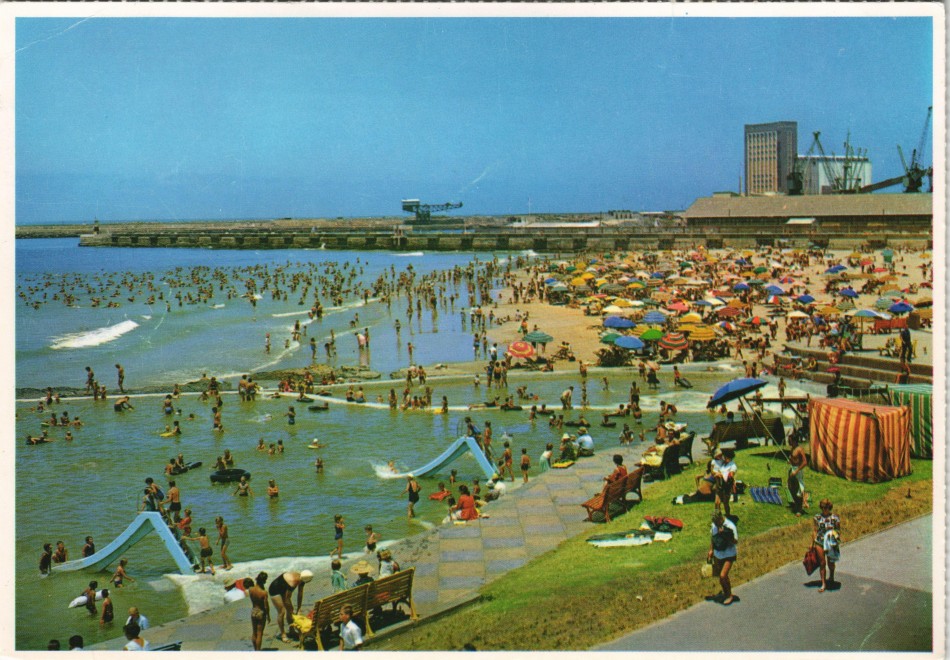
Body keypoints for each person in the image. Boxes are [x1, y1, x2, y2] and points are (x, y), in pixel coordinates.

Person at [268, 570, 313, 644]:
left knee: (290, 610)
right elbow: (287, 598)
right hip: (275, 589)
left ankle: (291, 631)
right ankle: (283, 634)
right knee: (282, 612)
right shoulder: (293, 582)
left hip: (284, 588)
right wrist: (292, 611)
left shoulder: (302, 578)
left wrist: (299, 608)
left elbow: (300, 594)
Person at [707, 511, 738, 606]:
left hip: (729, 554)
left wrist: (726, 534)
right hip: (718, 554)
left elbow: (735, 541)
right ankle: (726, 593)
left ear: (721, 518)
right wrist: (711, 550)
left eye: (717, 522)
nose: (715, 524)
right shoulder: (714, 526)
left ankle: (729, 596)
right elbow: (713, 538)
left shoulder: (730, 526)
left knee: (723, 575)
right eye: (714, 522)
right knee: (720, 577)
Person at [813, 499, 841, 592]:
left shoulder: (835, 517)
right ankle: (823, 583)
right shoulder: (817, 517)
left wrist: (834, 535)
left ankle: (831, 576)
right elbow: (815, 530)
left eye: (827, 508)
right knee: (822, 563)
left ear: (830, 507)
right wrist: (812, 543)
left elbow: (838, 530)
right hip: (820, 541)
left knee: (830, 562)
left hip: (830, 542)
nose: (825, 509)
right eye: (823, 508)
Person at [248, 573, 270, 651]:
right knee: (260, 633)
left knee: (254, 632)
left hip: (254, 610)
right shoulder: (264, 593)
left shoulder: (251, 589)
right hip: (261, 612)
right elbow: (266, 606)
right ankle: (258, 651)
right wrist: (268, 616)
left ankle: (255, 650)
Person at [712, 449, 738, 516]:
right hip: (719, 485)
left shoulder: (732, 466)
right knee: (717, 502)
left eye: (725, 457)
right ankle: (717, 515)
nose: (724, 458)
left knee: (725, 503)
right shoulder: (723, 463)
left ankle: (728, 515)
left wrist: (721, 476)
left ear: (729, 458)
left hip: (726, 487)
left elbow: (730, 476)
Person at [788, 434, 808, 515]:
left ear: (794, 440)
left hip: (798, 470)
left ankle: (799, 509)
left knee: (799, 489)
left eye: (790, 440)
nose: (788, 441)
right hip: (792, 469)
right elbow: (794, 459)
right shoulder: (792, 449)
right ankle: (797, 504)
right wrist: (791, 461)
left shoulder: (800, 449)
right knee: (790, 487)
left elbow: (805, 462)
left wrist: (796, 471)